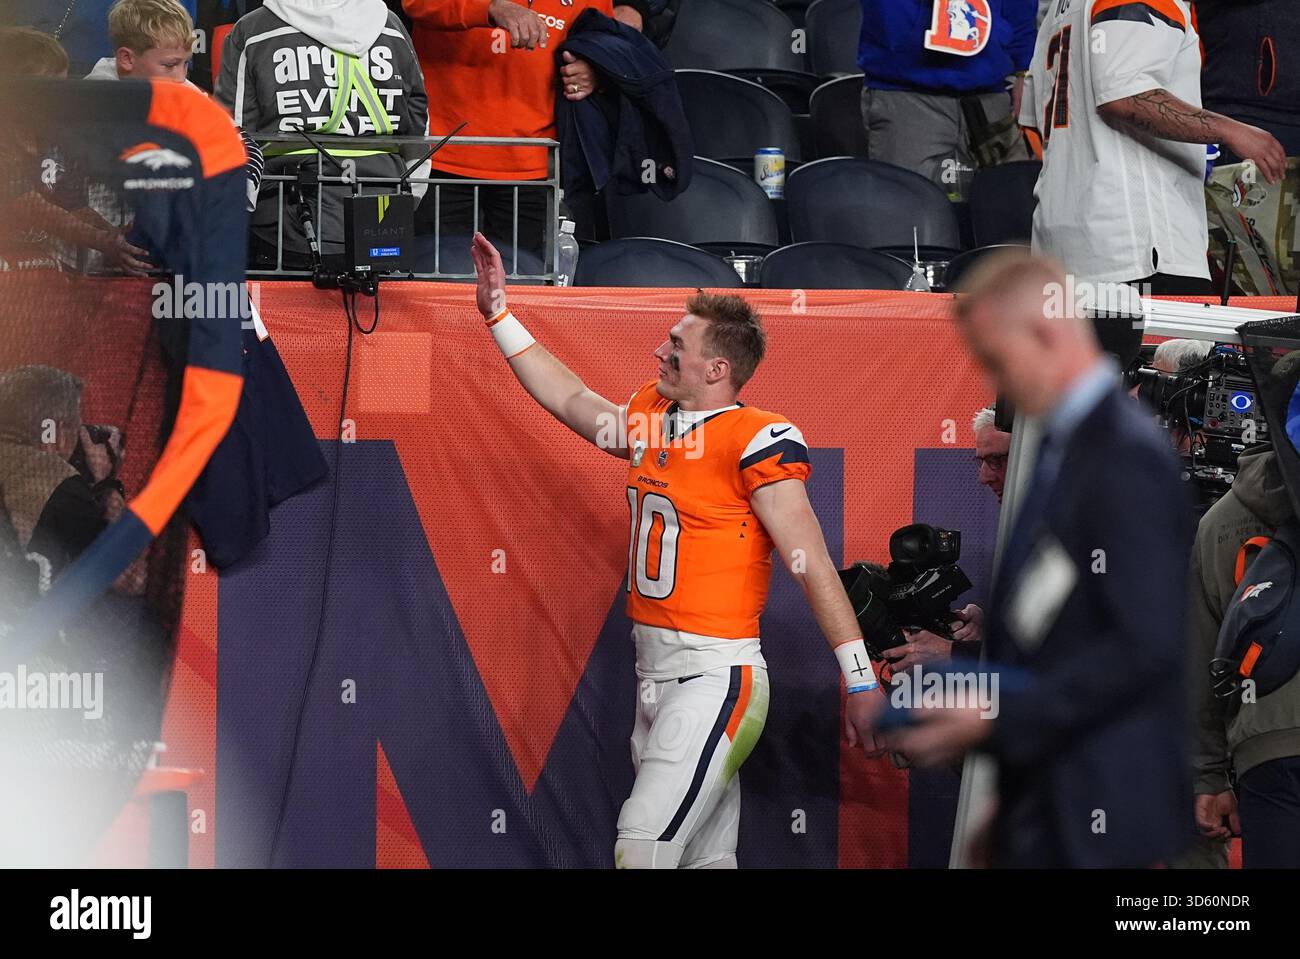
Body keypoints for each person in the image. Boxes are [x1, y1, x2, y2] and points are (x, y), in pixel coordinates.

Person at [470, 232, 884, 869]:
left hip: (716, 675)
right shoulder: (651, 418)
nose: (658, 351)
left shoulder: (755, 439)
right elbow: (571, 399)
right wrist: (499, 314)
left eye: (676, 344)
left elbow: (810, 564)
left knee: (642, 845)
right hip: (654, 675)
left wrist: (859, 679)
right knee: (703, 863)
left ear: (718, 368)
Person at [889, 250, 1197, 867]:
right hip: (1056, 797)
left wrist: (994, 708)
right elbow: (1060, 630)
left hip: (1099, 804)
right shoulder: (1070, 446)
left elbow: (1145, 649)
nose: (997, 383)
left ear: (1046, 331)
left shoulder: (1122, 454)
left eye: (998, 361)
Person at [1020, 0, 1286, 293]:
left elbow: (1030, 116)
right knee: (1164, 340)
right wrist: (1231, 130)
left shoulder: (1057, 11)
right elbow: (1122, 95)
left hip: (1062, 250)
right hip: (1137, 249)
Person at [403, 0, 639, 254]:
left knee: (524, 287)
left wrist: (593, 72)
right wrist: (491, 8)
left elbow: (601, 43)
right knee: (439, 287)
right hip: (442, 156)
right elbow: (416, 4)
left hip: (532, 165)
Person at [215, 0, 427, 265]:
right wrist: (412, 195)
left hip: (283, 221)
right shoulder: (391, 25)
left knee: (286, 308)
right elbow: (418, 119)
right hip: (383, 214)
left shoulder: (253, 29)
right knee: (379, 306)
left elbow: (233, 128)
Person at [0, 26, 151, 275]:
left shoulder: (56, 138)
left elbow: (73, 203)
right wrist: (101, 241)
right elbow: (30, 206)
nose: (61, 99)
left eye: (63, 87)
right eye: (49, 90)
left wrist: (114, 237)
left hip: (33, 266)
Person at [855, 0, 1036, 189]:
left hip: (990, 92)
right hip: (907, 94)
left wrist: (1024, 67)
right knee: (911, 212)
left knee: (1009, 209)